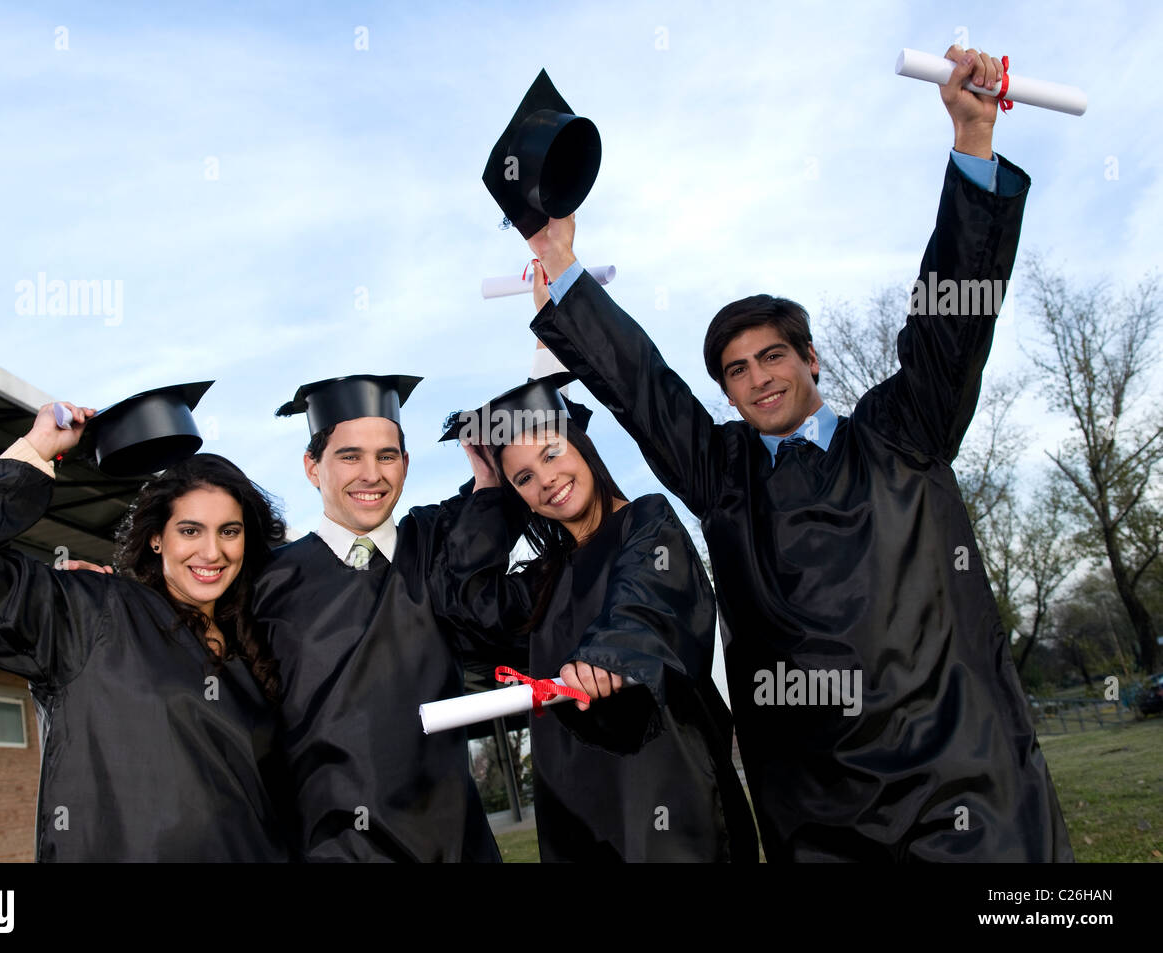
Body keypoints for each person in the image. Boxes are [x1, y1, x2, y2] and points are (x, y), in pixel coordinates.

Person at [508, 46, 1073, 860]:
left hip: (962, 786)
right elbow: (643, 385)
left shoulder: (902, 431)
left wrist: (972, 143)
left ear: (811, 360)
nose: (757, 378)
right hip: (822, 814)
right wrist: (560, 263)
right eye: (735, 371)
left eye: (772, 356)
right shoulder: (723, 475)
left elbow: (954, 318)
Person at [0, 402, 292, 861]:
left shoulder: (259, 644)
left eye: (229, 531)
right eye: (190, 530)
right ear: (158, 538)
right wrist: (40, 449)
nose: (211, 552)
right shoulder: (94, 611)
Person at [441, 376, 760, 862]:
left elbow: (644, 603)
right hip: (575, 816)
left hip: (665, 798)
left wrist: (603, 657)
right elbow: (470, 606)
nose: (545, 479)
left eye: (551, 453)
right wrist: (487, 492)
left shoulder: (647, 523)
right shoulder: (545, 581)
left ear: (581, 444)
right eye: (523, 478)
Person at [254, 374, 518, 862]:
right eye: (349, 456)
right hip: (333, 850)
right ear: (313, 468)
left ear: (406, 464)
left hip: (456, 844)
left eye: (387, 455)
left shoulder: (436, 543)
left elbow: (535, 454)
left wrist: (489, 479)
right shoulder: (267, 581)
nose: (371, 474)